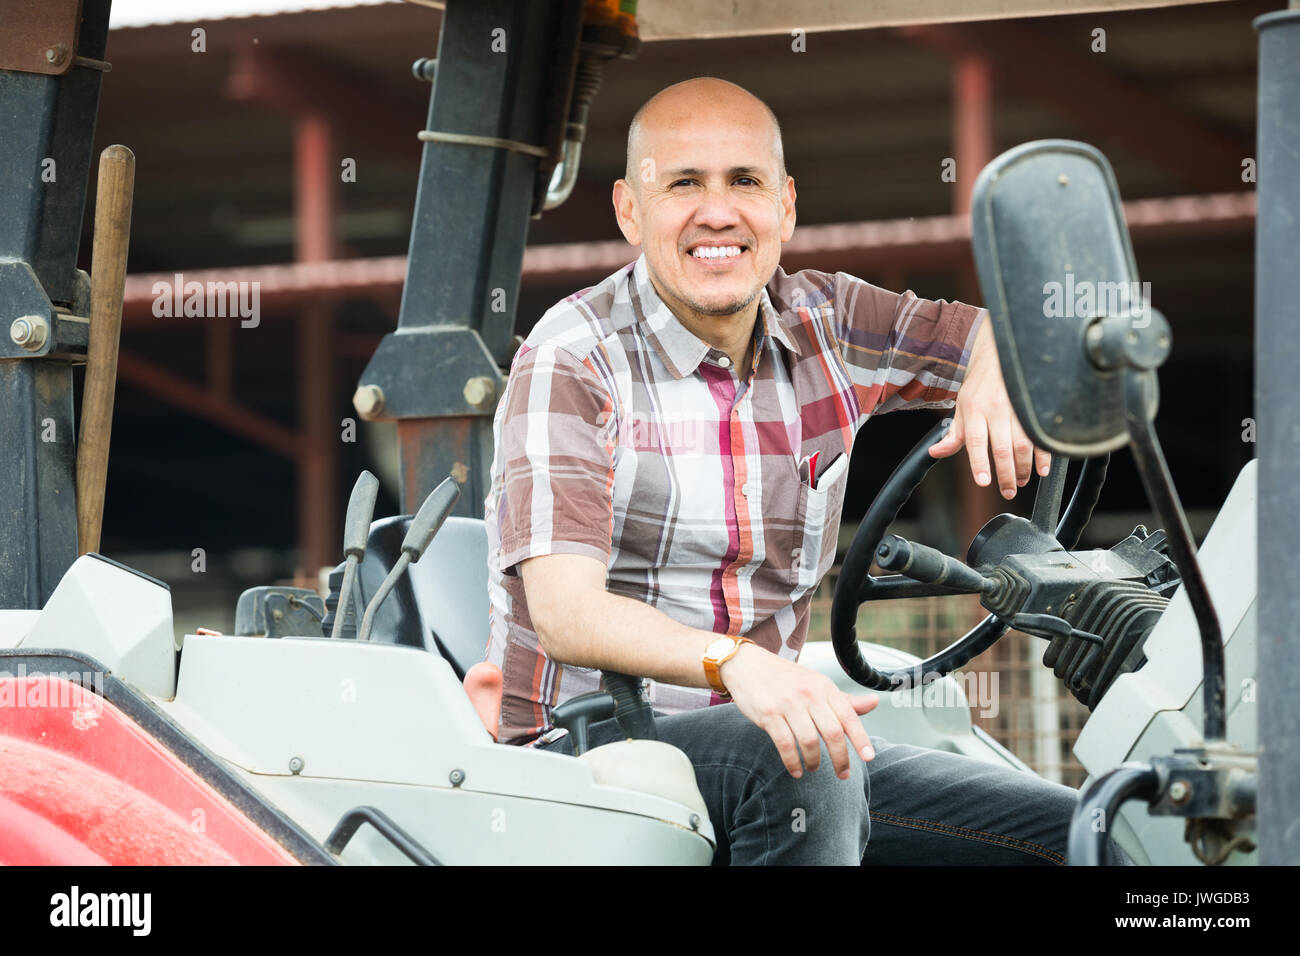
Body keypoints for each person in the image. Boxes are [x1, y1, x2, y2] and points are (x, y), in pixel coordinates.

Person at [483, 77, 1124, 865]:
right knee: (812, 762)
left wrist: (998, 365)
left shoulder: (830, 321)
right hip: (590, 750)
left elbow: (994, 332)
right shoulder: (572, 359)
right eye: (684, 182)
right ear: (629, 209)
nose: (717, 211)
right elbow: (565, 613)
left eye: (743, 182)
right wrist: (739, 663)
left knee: (1090, 833)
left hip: (776, 737)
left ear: (784, 207)